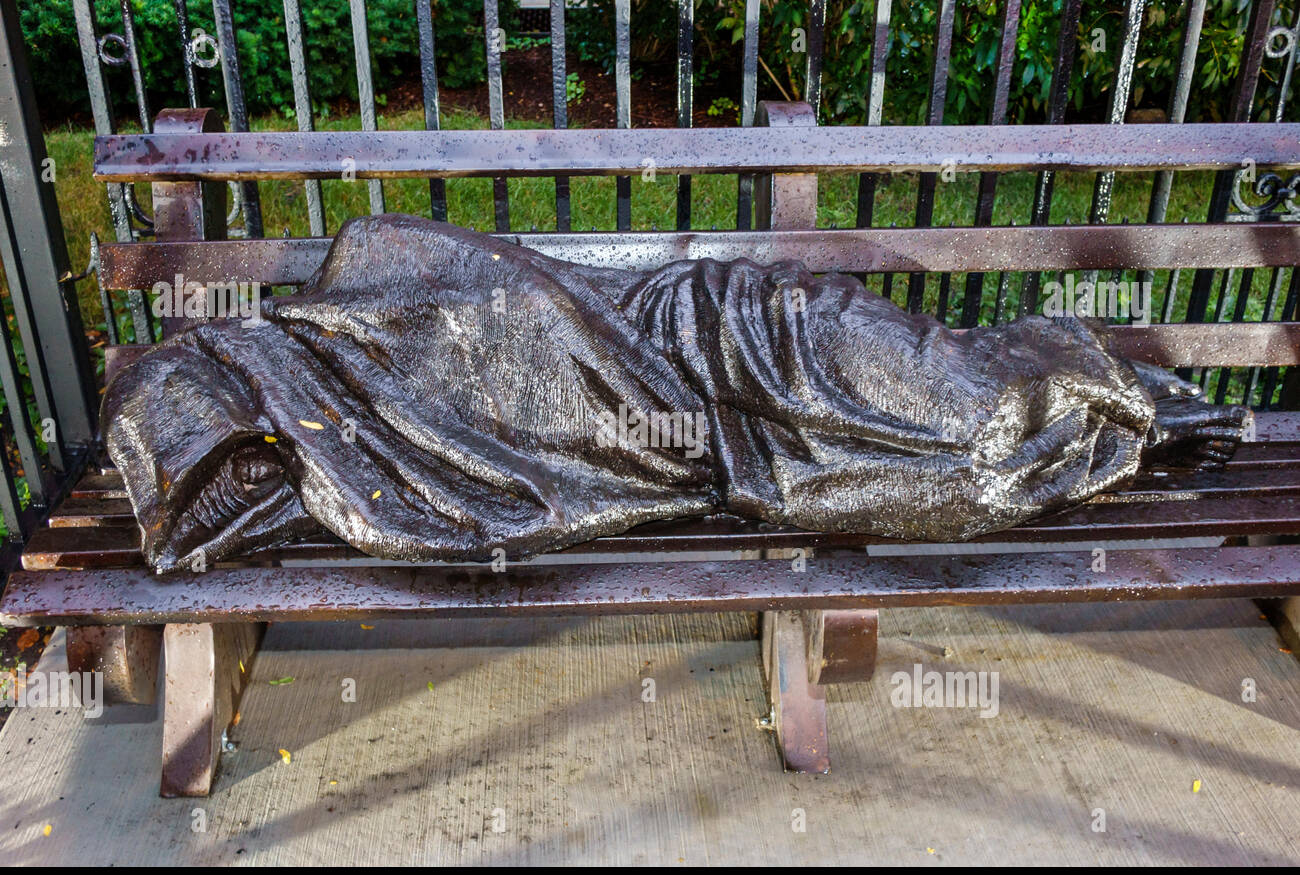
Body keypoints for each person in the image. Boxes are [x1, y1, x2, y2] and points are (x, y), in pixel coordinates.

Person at [102, 214, 1245, 573]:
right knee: (943, 470)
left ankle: (1132, 402)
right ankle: (1131, 424)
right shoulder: (370, 457)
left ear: (250, 375)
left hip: (744, 333)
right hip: (725, 448)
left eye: (228, 454)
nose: (252, 478)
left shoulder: (379, 274)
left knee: (967, 419)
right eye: (236, 476)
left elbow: (547, 323)